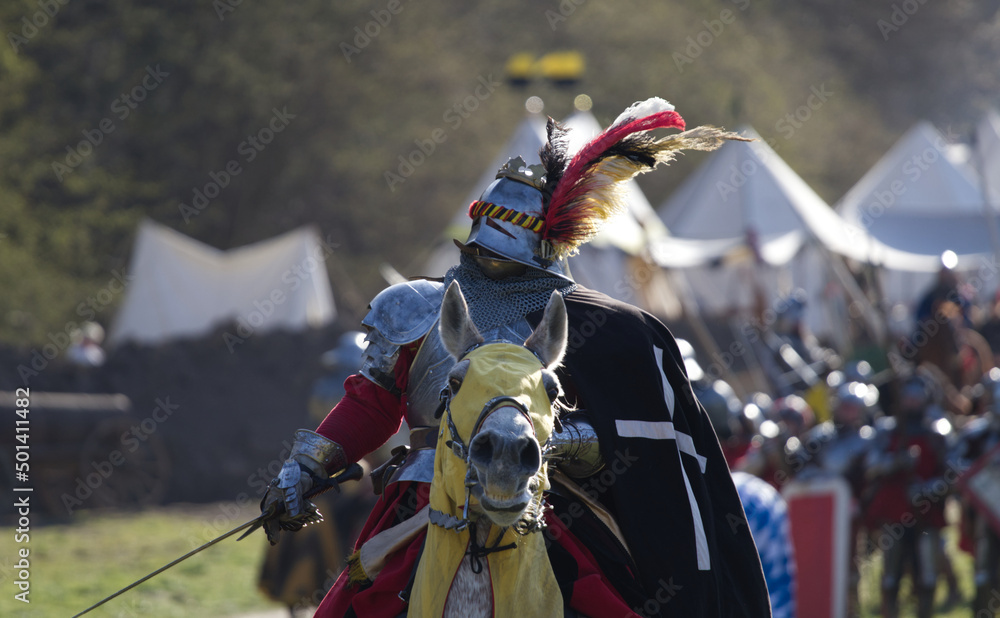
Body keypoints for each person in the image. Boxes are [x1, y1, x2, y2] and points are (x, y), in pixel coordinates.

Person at [258, 99, 771, 617]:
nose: (486, 258)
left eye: (501, 251)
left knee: (601, 597)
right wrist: (303, 470)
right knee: (360, 605)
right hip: (425, 498)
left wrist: (540, 441)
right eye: (482, 249)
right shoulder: (417, 306)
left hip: (542, 500)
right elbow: (370, 403)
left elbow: (620, 439)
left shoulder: (593, 330)